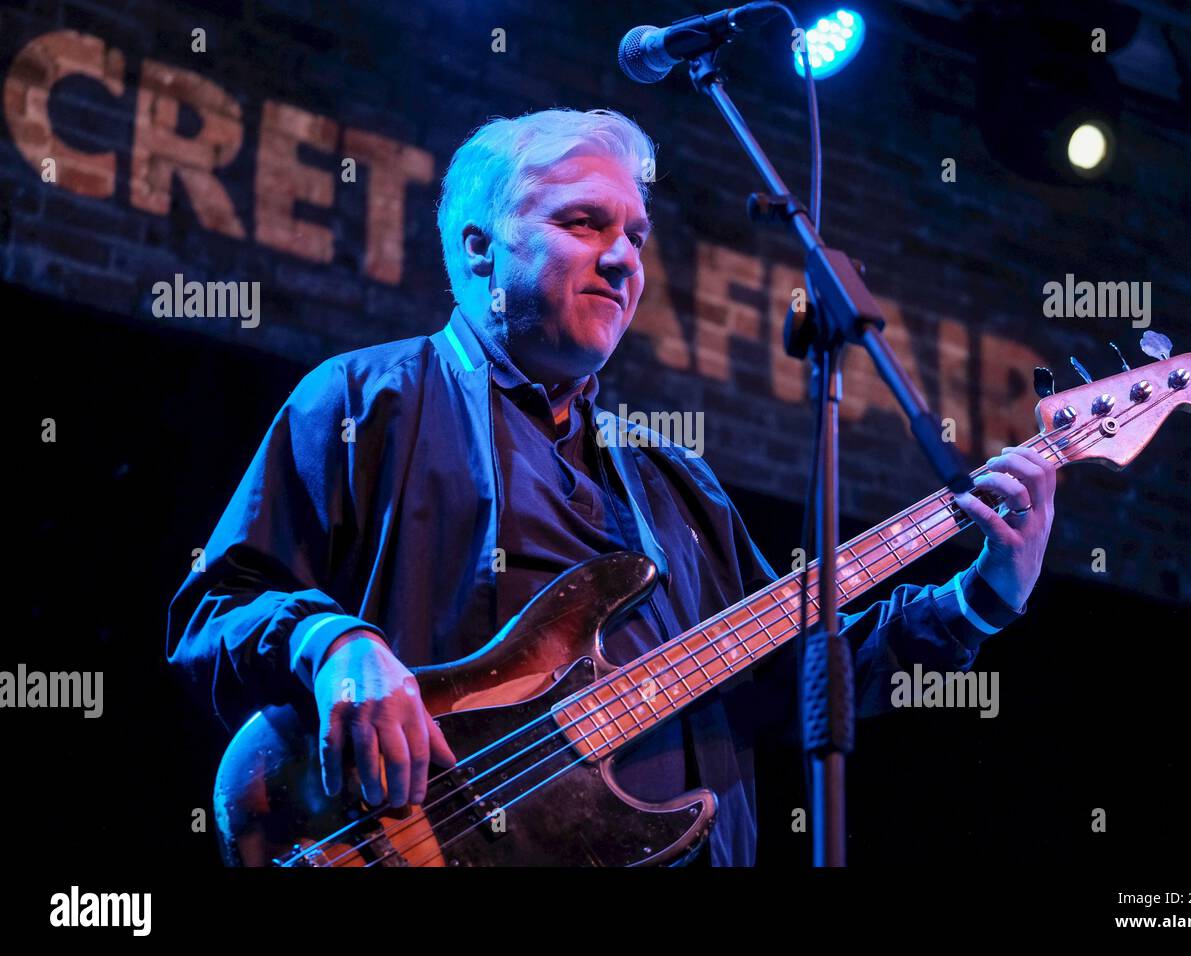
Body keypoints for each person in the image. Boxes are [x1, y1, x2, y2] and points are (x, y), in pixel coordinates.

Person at [166, 107, 1056, 867]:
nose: (625, 259)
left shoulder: (677, 483)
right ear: (481, 249)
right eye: (585, 223)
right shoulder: (369, 402)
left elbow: (801, 681)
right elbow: (212, 611)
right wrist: (331, 643)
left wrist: (977, 600)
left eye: (635, 234)